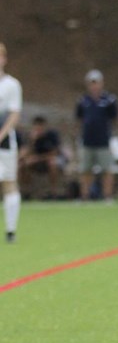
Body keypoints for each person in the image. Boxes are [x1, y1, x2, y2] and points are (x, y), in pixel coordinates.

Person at [75, 69, 118, 202]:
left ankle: (107, 196)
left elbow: (114, 117)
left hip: (103, 141)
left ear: (101, 83)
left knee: (107, 169)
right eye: (91, 83)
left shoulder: (109, 100)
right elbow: (79, 118)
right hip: (87, 140)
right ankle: (85, 196)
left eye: (96, 83)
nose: (94, 86)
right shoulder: (83, 100)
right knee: (85, 169)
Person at [0, 42, 23, 242]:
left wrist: (1, 135)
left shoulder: (12, 85)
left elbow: (14, 114)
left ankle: (10, 230)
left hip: (5, 144)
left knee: (8, 183)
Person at [18, 115, 64, 199]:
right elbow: (25, 153)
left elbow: (54, 153)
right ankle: (26, 191)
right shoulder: (30, 137)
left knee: (52, 163)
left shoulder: (51, 135)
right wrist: (32, 141)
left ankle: (53, 192)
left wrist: (38, 158)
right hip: (36, 161)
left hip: (48, 160)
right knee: (24, 165)